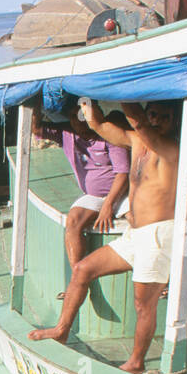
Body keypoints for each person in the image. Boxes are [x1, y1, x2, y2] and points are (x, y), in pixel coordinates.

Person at [29, 100, 180, 374]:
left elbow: (138, 122)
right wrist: (88, 104)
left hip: (158, 236)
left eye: (165, 117)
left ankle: (135, 362)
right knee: (83, 269)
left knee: (142, 304)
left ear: (175, 123)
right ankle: (61, 330)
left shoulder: (170, 149)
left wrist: (124, 88)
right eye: (153, 114)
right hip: (136, 235)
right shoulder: (138, 143)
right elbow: (99, 126)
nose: (157, 120)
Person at [32, 104, 130, 273]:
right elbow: (36, 128)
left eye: (83, 116)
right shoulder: (67, 133)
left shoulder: (109, 133)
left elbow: (122, 174)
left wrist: (108, 205)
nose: (78, 121)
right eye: (73, 117)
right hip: (93, 195)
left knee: (140, 220)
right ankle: (78, 275)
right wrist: (35, 99)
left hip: (121, 193)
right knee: (73, 221)